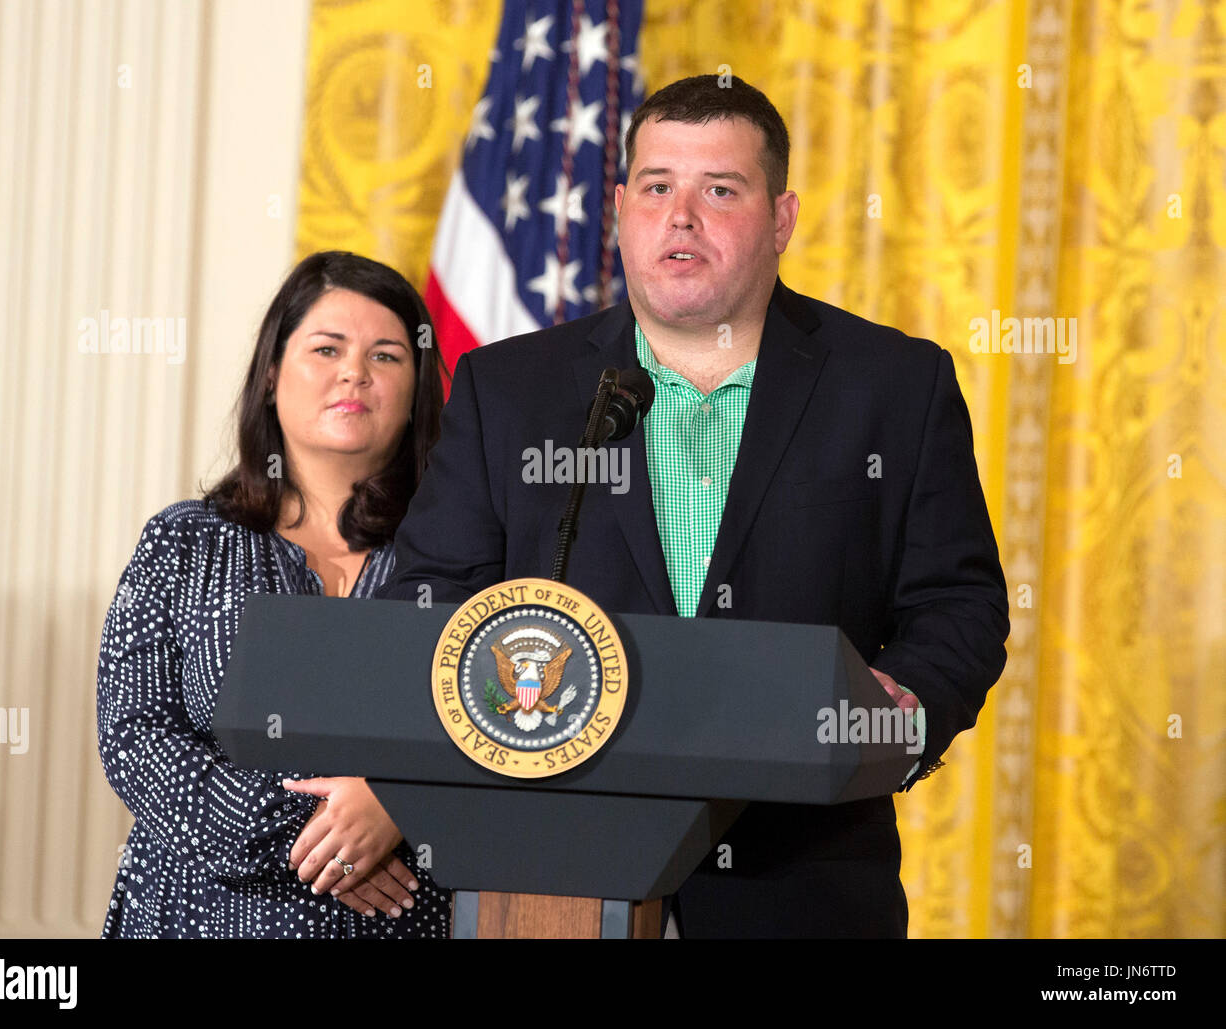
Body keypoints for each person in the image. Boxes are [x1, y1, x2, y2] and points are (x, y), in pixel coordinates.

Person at [377, 76, 1010, 937]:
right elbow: (432, 602)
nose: (682, 216)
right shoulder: (509, 388)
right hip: (550, 873)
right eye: (657, 186)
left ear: (781, 220)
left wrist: (898, 703)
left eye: (720, 190)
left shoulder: (893, 387)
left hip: (799, 884)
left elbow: (958, 604)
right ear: (620, 209)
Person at [97, 251, 452, 937]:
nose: (355, 372)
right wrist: (326, 835)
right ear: (270, 375)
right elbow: (134, 735)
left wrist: (399, 804)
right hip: (200, 910)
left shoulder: (462, 558)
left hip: (404, 913)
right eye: (327, 348)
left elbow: (507, 727)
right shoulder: (184, 542)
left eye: (386, 356)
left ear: (415, 394)